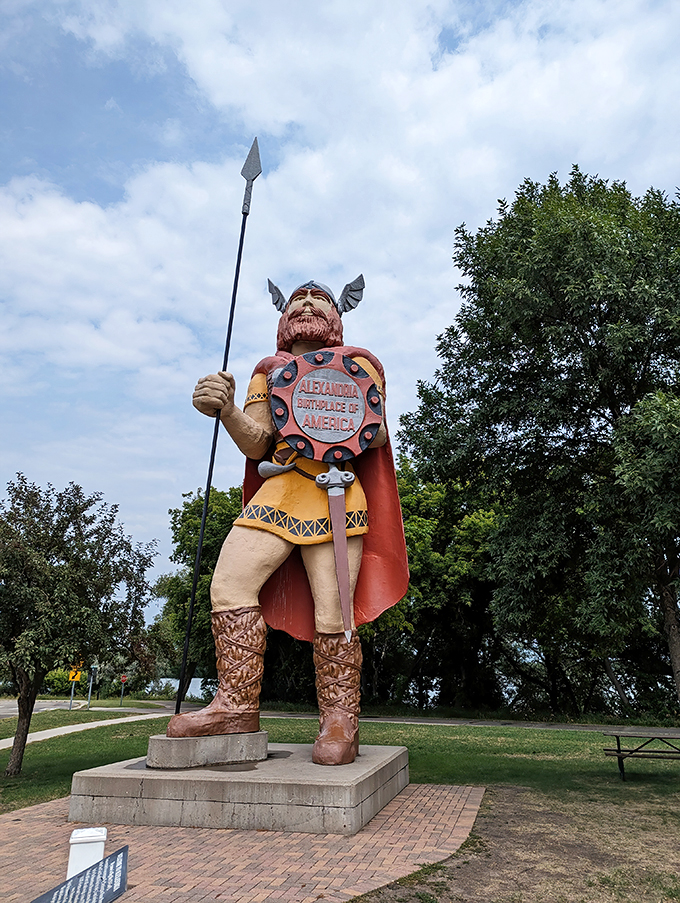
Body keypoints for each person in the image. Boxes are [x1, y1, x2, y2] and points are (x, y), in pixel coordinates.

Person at [166, 277, 408, 765]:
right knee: (228, 587)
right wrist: (227, 408)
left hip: (337, 496)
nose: (307, 303)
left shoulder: (360, 365)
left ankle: (340, 720)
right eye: (298, 298)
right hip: (280, 490)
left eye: (318, 298)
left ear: (337, 314)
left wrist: (341, 408)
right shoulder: (268, 371)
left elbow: (377, 435)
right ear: (283, 316)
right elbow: (259, 443)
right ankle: (236, 706)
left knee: (334, 613)